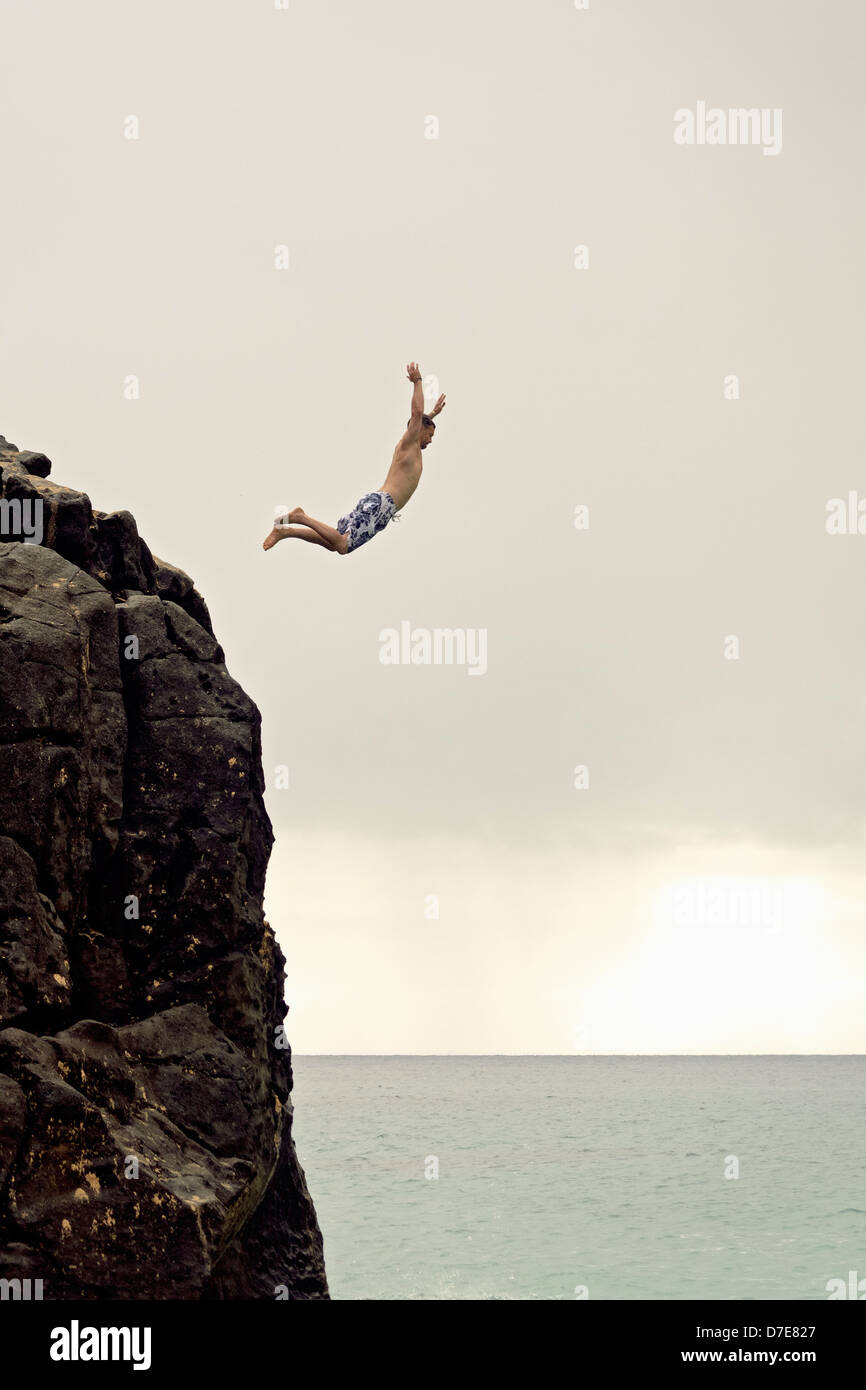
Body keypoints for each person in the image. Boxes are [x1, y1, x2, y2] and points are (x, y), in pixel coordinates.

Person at [263, 362, 445, 555]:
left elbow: (419, 421)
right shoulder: (410, 444)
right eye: (430, 435)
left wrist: (433, 415)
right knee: (342, 545)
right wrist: (417, 381)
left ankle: (286, 531)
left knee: (335, 541)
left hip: (377, 503)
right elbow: (417, 415)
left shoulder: (410, 447)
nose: (431, 441)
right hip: (382, 506)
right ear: (418, 429)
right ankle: (301, 517)